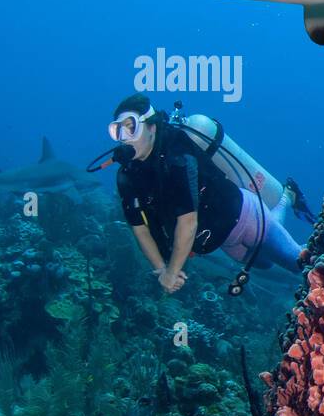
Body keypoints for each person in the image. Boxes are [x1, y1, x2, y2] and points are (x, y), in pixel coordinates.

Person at [108, 94, 309, 293]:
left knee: (297, 263)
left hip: (248, 219)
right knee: (265, 264)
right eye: (118, 130)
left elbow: (188, 221)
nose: (124, 138)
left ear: (151, 126)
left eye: (131, 127)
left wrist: (172, 272)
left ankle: (285, 199)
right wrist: (161, 268)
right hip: (224, 242)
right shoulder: (129, 176)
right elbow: (139, 228)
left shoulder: (177, 156)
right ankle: (284, 201)